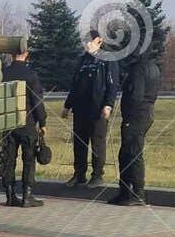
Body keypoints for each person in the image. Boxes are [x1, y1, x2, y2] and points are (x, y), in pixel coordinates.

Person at [62, 30, 118, 185]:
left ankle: (97, 175)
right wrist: (67, 106)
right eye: (84, 42)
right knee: (79, 142)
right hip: (80, 109)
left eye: (89, 42)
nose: (86, 45)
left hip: (98, 109)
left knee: (97, 142)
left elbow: (112, 85)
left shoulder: (107, 60)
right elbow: (75, 85)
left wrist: (108, 105)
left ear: (99, 41)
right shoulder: (82, 61)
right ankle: (79, 174)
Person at [111, 45, 162, 205]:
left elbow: (136, 94)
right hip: (146, 113)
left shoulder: (138, 68)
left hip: (135, 115)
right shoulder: (153, 67)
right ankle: (126, 191)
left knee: (131, 154)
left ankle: (135, 193)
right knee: (130, 153)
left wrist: (128, 112)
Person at [1, 48, 47, 207]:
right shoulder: (31, 75)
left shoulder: (3, 73)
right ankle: (27, 196)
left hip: (7, 124)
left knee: (8, 160)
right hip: (27, 124)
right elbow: (37, 102)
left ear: (12, 54)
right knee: (29, 160)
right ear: (26, 54)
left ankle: (9, 195)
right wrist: (42, 123)